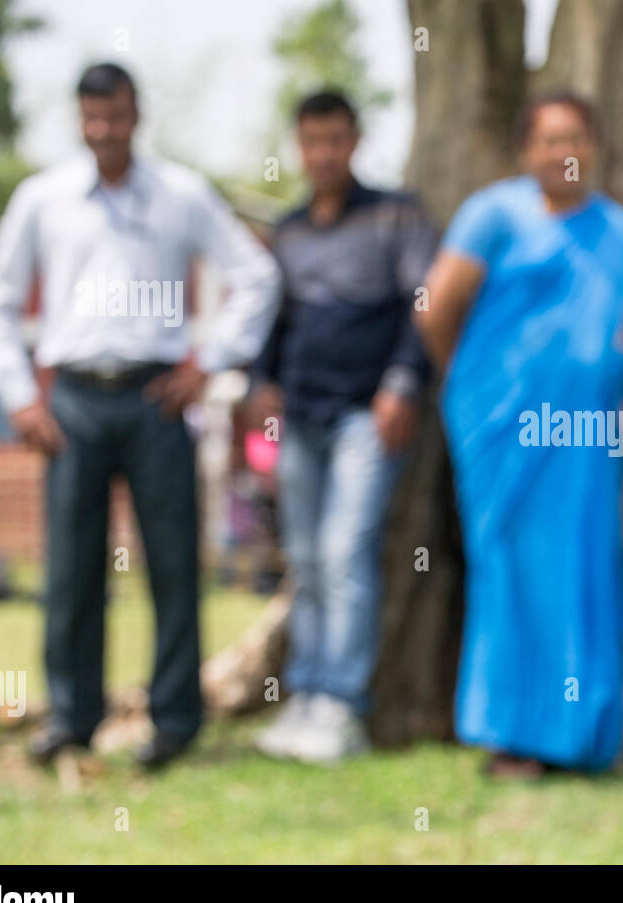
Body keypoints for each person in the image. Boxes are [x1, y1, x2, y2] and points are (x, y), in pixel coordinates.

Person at [0, 62, 282, 768]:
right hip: (72, 401)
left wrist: (208, 365)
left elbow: (257, 276)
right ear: (80, 120)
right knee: (71, 568)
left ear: (137, 115)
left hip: (157, 398)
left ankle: (175, 721)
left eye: (115, 116)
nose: (103, 130)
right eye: (91, 118)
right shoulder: (42, 199)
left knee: (173, 563)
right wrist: (18, 394)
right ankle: (73, 717)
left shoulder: (181, 194)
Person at [415, 90, 623, 777]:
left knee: (583, 568)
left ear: (597, 146)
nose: (564, 152)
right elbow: (436, 309)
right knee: (509, 571)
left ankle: (583, 734)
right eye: (549, 140)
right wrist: (478, 389)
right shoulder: (492, 215)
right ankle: (510, 735)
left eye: (576, 138)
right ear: (526, 151)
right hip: (501, 431)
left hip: (590, 437)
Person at [249, 90, 436, 763]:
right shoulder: (290, 229)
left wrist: (403, 385)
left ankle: (341, 704)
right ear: (299, 147)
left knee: (343, 553)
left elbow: (425, 304)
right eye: (311, 141)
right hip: (301, 416)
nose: (323, 153)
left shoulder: (396, 214)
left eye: (335, 139)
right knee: (303, 559)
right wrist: (262, 384)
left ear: (354, 141)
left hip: (368, 415)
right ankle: (304, 692)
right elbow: (278, 319)